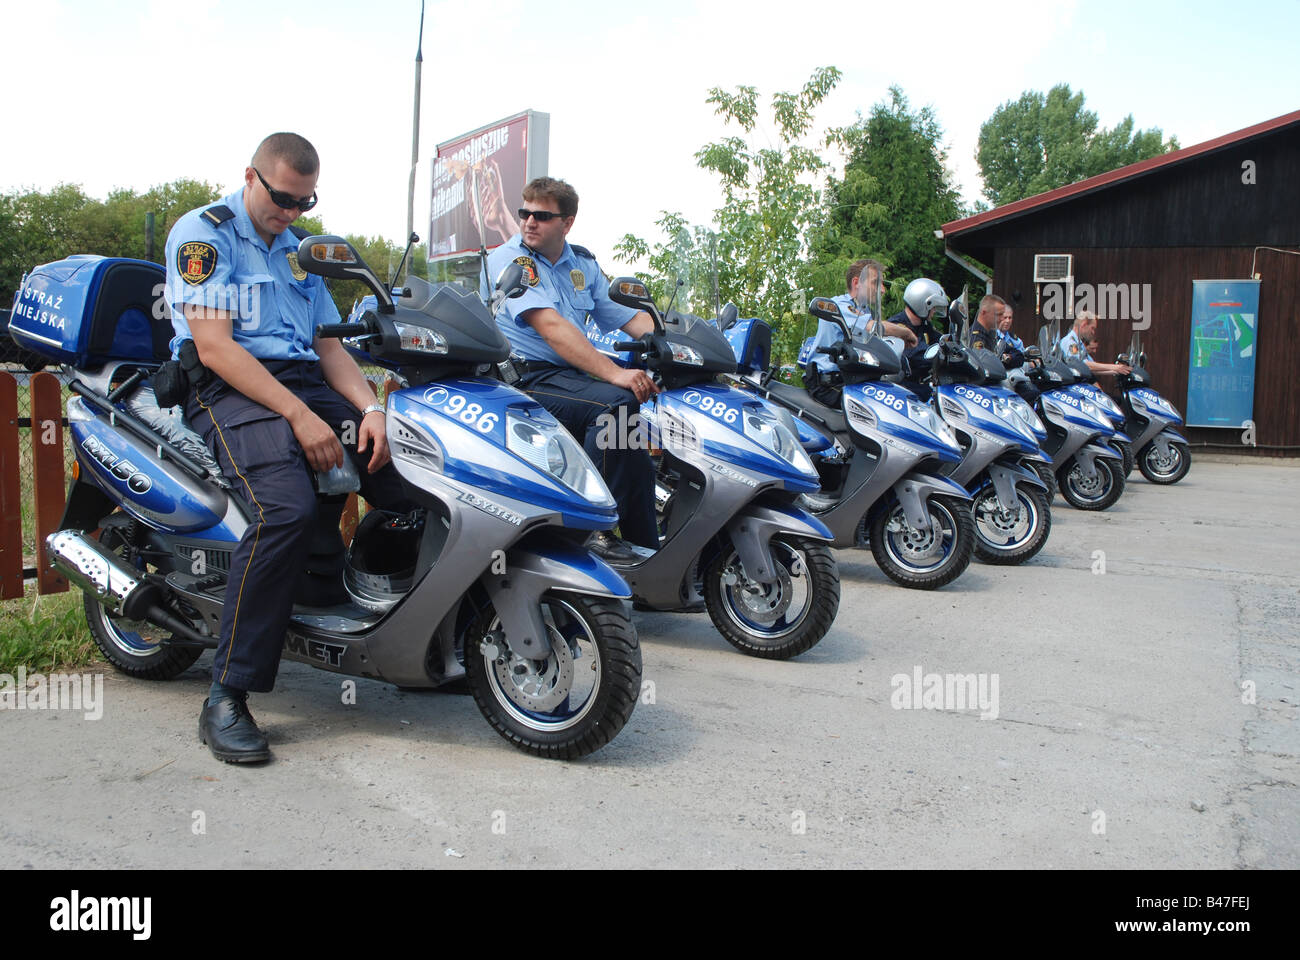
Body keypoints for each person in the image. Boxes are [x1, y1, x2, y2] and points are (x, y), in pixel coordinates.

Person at [165, 132, 415, 764]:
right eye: (283, 199)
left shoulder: (302, 252)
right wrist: (301, 416)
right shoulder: (205, 235)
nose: (293, 213)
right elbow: (217, 347)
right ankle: (227, 696)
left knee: (409, 482)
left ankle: (352, 599)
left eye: (306, 202)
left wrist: (370, 410)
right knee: (283, 510)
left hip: (304, 383)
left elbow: (330, 345)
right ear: (250, 176)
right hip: (228, 388)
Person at [483, 176, 659, 557]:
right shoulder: (509, 260)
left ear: (568, 222)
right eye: (524, 212)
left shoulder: (582, 264)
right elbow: (553, 328)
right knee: (615, 407)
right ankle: (592, 531)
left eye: (542, 216)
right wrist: (613, 372)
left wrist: (673, 342)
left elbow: (629, 318)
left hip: (566, 379)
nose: (529, 222)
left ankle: (648, 563)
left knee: (636, 446)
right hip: (522, 379)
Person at [805, 259, 917, 408]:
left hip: (848, 381)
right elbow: (872, 327)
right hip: (829, 386)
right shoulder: (840, 305)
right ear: (856, 282)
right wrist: (907, 333)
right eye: (876, 283)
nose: (882, 290)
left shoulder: (863, 312)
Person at [890, 277, 950, 400]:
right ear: (922, 304)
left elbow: (940, 341)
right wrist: (940, 355)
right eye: (933, 307)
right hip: (904, 388)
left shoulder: (924, 325)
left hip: (922, 385)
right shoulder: (897, 327)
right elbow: (918, 356)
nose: (934, 311)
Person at [1058, 309, 1131, 377]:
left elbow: (1092, 368)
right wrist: (1114, 367)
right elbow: (1082, 365)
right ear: (1084, 325)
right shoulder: (1070, 342)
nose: (1093, 332)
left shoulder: (1079, 345)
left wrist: (1117, 371)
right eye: (1092, 328)